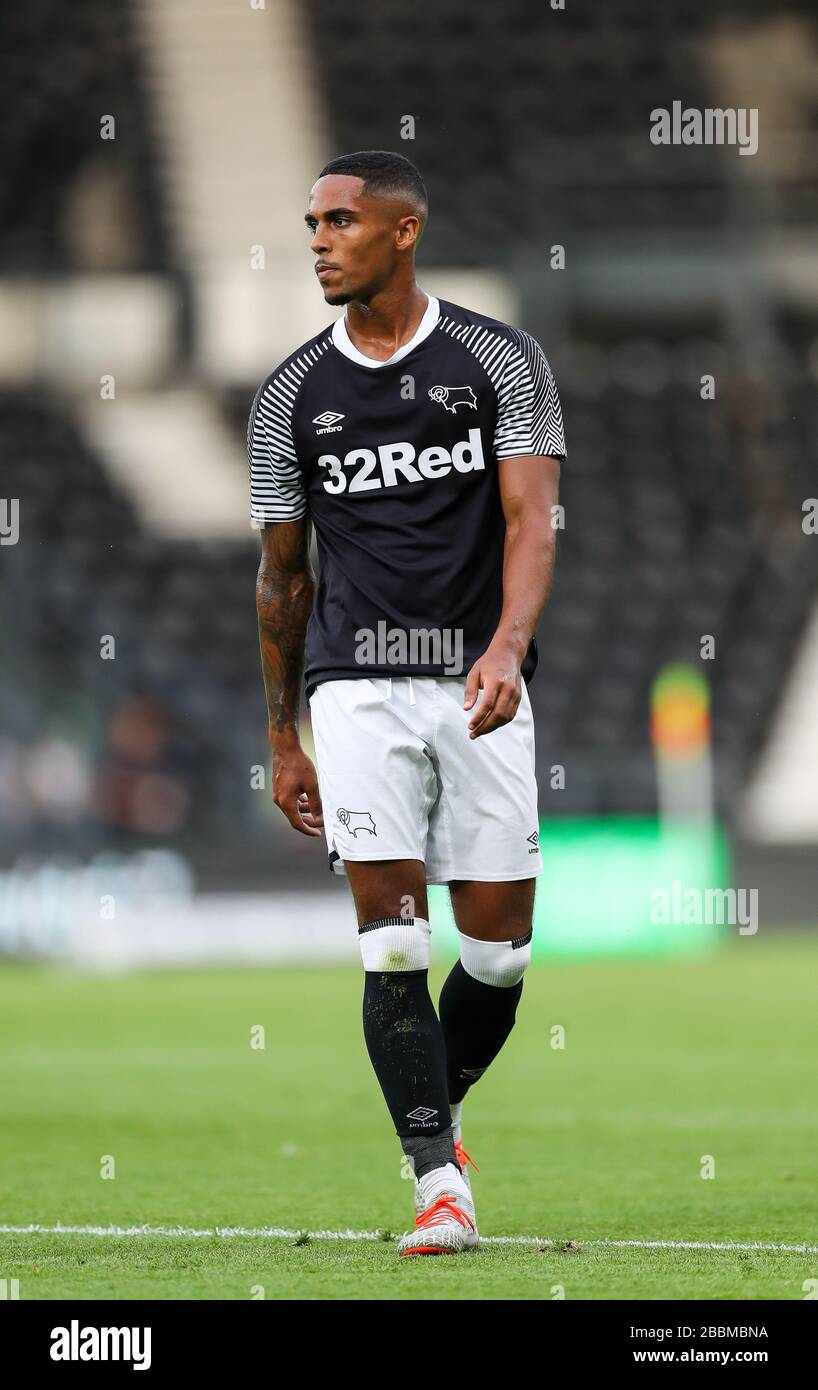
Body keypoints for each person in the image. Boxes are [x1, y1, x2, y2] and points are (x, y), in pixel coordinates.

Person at [248, 150, 566, 1256]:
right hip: (354, 686)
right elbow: (282, 576)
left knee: (497, 957)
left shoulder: (497, 359)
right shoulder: (289, 393)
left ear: (403, 231)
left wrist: (507, 649)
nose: (319, 240)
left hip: (478, 682)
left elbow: (532, 523)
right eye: (311, 223)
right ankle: (437, 1182)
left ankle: (437, 1104)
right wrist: (282, 733)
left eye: (339, 221)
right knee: (391, 947)